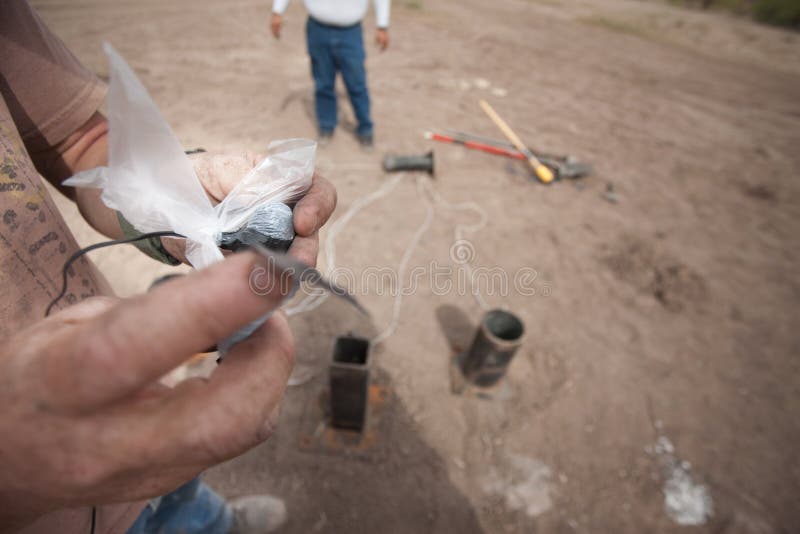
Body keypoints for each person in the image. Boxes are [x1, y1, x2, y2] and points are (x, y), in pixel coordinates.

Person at [0, 1, 337, 533]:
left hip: (130, 372)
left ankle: (208, 521)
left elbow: (77, 142)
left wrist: (180, 190)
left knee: (180, 482)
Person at [270, 0, 391, 147]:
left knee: (356, 84)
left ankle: (365, 128)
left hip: (350, 32)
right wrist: (277, 11)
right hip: (318, 29)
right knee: (323, 83)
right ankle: (326, 127)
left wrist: (382, 25)